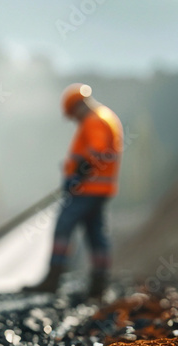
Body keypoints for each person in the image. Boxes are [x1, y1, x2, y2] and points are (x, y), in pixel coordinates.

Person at [26, 83, 123, 299]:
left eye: (73, 114)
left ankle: (53, 278)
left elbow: (97, 153)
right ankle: (99, 283)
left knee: (64, 226)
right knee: (96, 233)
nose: (75, 120)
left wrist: (78, 173)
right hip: (99, 188)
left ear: (78, 106)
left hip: (88, 189)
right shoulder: (105, 118)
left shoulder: (95, 121)